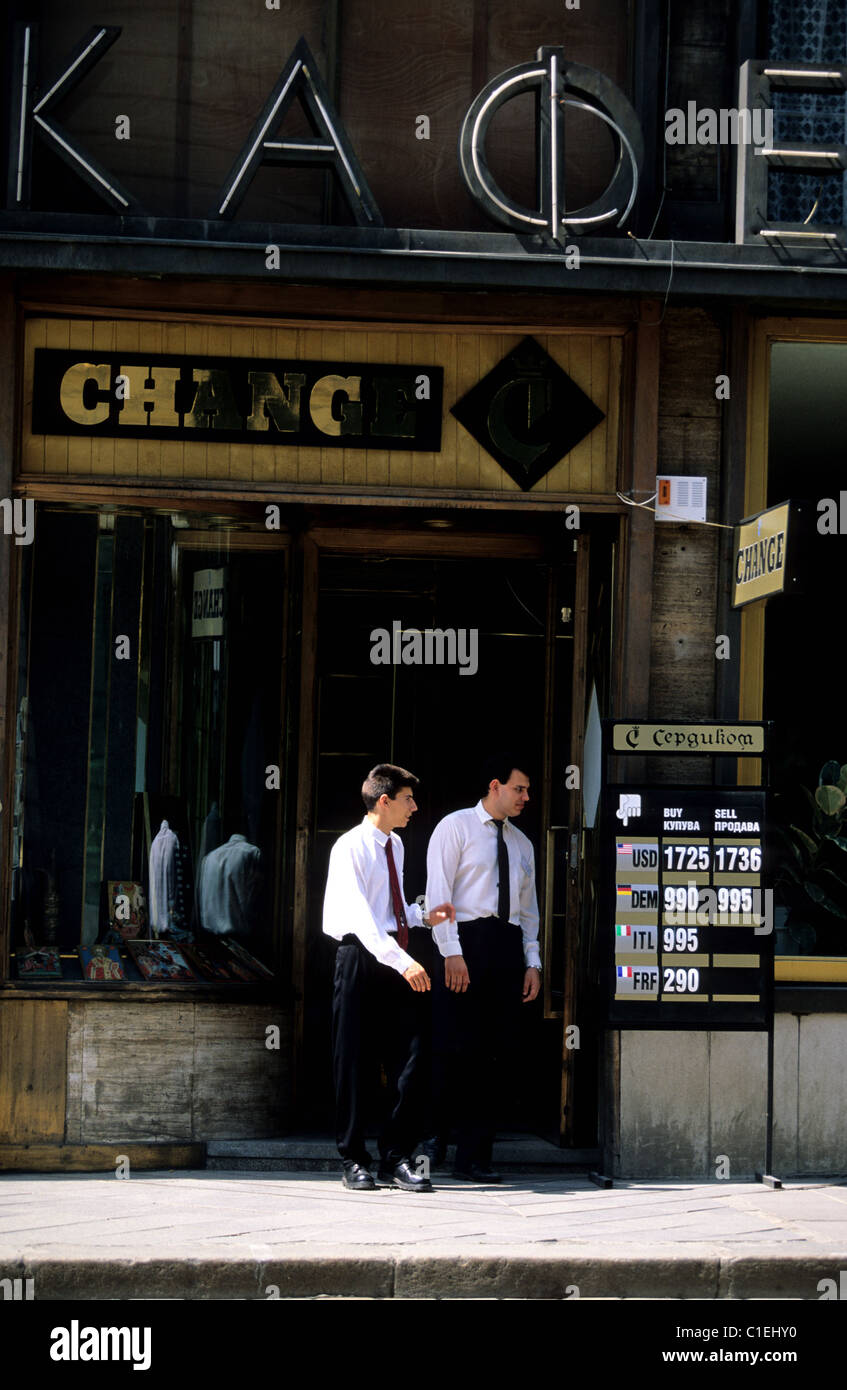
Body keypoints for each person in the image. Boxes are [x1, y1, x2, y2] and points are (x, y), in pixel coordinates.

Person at [323, 763, 455, 1192]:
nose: (414, 807)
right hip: (361, 956)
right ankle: (353, 1160)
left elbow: (389, 909)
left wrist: (421, 916)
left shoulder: (395, 844)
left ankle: (394, 1157)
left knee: (411, 1056)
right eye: (407, 799)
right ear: (384, 800)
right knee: (354, 1060)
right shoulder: (350, 847)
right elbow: (362, 917)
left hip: (394, 952)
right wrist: (401, 960)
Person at [425, 755, 542, 1183]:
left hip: (505, 945)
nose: (526, 798)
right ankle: (433, 1135)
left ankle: (475, 1158)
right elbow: (438, 894)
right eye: (519, 789)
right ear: (496, 786)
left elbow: (529, 910)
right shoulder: (455, 827)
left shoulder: (523, 843)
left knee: (496, 1052)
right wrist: (451, 951)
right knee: (451, 1045)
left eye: (527, 791)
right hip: (463, 940)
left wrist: (532, 961)